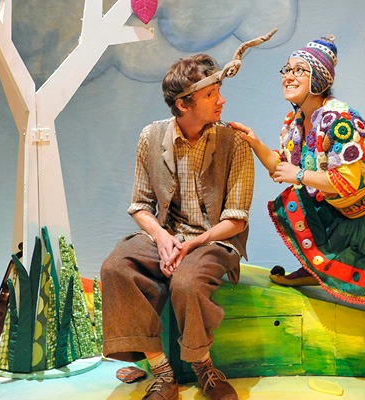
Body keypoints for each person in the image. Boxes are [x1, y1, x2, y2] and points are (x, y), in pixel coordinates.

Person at [230, 36, 365, 400]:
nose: (288, 76)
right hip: (347, 206)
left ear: (319, 79)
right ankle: (315, 269)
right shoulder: (297, 120)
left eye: (299, 70)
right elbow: (284, 170)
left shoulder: (342, 121)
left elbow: (345, 181)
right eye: (287, 69)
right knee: (297, 199)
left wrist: (298, 174)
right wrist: (256, 144)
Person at [101, 53, 254, 400]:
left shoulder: (234, 142)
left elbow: (236, 218)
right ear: (184, 104)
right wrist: (162, 237)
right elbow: (140, 205)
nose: (221, 100)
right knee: (116, 267)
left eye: (219, 91)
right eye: (211, 94)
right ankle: (163, 372)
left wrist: (192, 244)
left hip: (214, 239)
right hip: (167, 234)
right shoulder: (151, 136)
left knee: (186, 281)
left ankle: (203, 366)